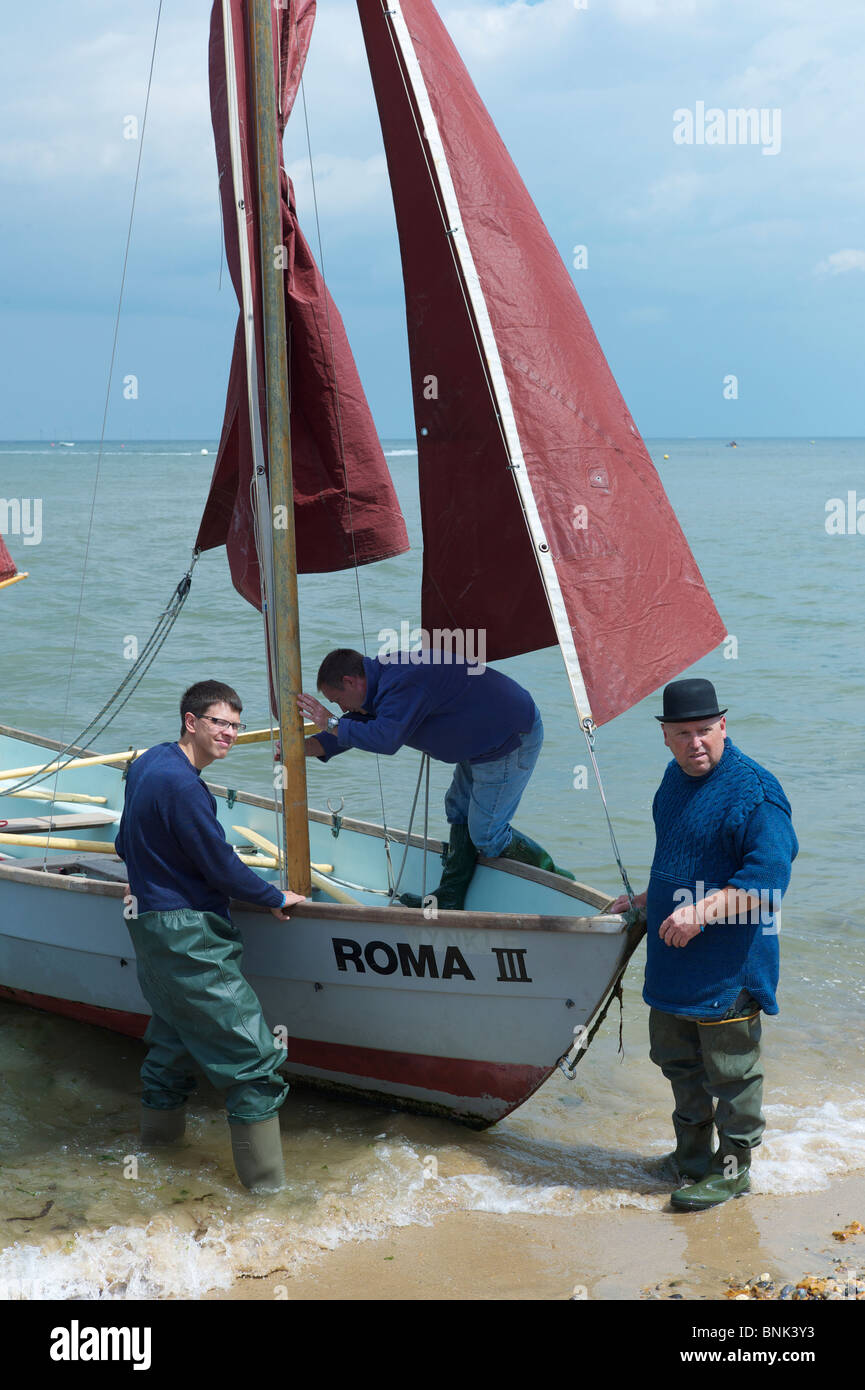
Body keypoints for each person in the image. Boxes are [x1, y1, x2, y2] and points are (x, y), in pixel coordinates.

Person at [609, 678, 798, 1211]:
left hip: (728, 967)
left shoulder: (756, 794)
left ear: (723, 726)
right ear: (665, 736)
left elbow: (768, 883)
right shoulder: (673, 779)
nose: (696, 743)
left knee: (733, 1077)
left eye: (705, 731)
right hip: (673, 959)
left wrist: (701, 912)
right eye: (683, 733)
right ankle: (691, 1159)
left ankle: (733, 1172)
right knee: (677, 1063)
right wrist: (647, 900)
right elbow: (681, 857)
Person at [115, 680, 305, 1192]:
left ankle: (155, 1158)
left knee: (174, 1041)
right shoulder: (185, 787)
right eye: (220, 722)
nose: (230, 733)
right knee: (253, 1061)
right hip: (188, 933)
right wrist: (273, 896)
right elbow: (220, 867)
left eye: (237, 726)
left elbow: (122, 839)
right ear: (191, 721)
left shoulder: (149, 763)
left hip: (147, 924)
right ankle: (269, 1197)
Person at [297, 647, 572, 910]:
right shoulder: (380, 686)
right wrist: (304, 748)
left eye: (337, 700)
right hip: (478, 740)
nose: (340, 708)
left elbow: (385, 738)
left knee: (487, 836)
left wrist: (331, 723)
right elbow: (363, 725)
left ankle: (557, 878)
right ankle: (450, 895)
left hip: (508, 738)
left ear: (351, 681)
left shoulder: (403, 683)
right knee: (457, 808)